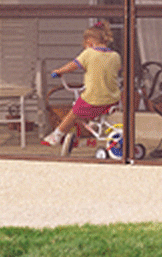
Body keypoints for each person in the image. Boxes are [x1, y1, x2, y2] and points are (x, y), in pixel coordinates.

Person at [43, 22, 121, 156]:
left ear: (90, 42)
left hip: (94, 98)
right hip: (113, 99)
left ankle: (57, 135)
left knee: (74, 113)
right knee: (87, 111)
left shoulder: (88, 54)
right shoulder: (115, 56)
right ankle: (91, 125)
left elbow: (73, 65)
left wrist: (59, 71)